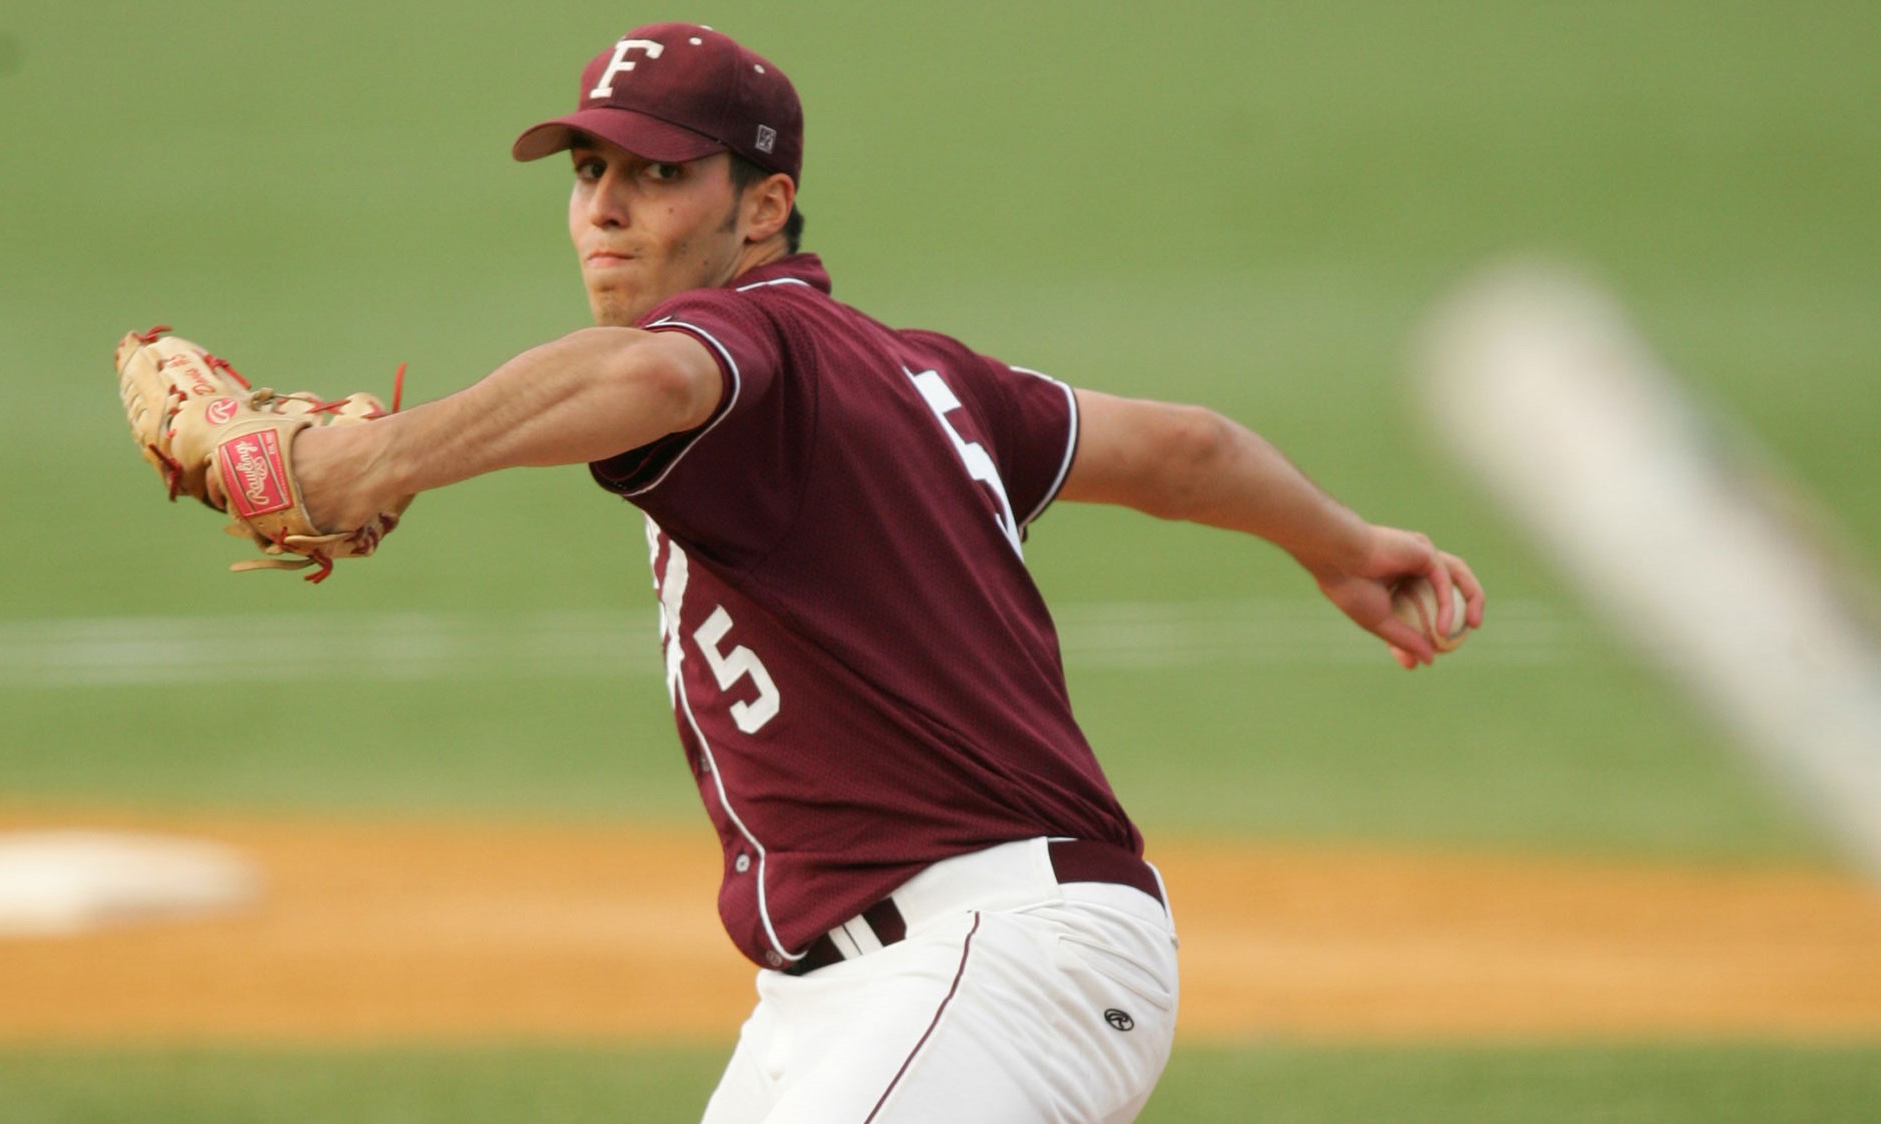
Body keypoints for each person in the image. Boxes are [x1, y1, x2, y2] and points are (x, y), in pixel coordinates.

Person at [291, 22, 1484, 1123]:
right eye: (587, 172)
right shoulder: (925, 375)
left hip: (984, 953)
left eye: (658, 173)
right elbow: (1184, 450)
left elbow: (646, 379)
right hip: (864, 990)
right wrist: (1340, 544)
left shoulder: (749, 346)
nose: (606, 206)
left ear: (764, 208)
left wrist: (375, 460)